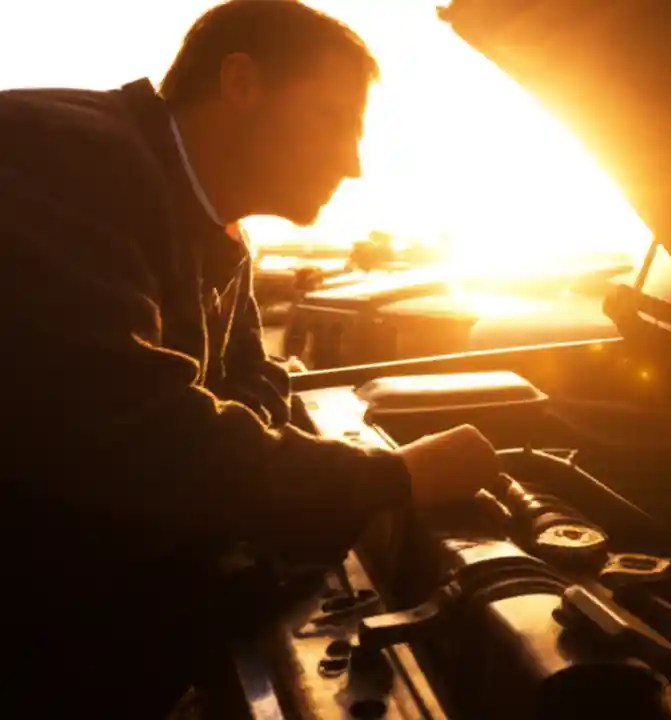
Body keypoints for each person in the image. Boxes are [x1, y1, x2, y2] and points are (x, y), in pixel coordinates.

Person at [0, 1, 497, 714]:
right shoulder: (67, 158)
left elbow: (250, 387)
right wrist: (394, 476)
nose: (353, 162)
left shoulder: (204, 220)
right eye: (334, 119)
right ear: (241, 84)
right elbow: (139, 433)